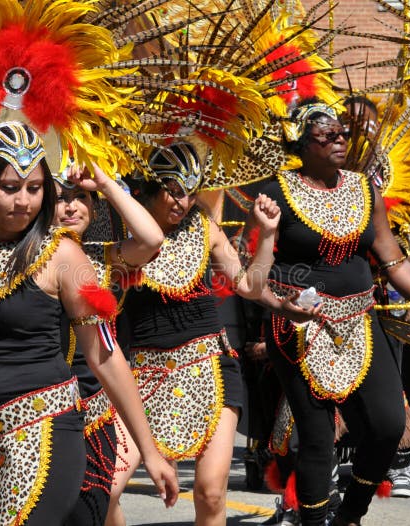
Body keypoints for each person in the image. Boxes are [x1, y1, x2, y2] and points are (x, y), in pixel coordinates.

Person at [0, 121, 177, 526]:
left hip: (47, 432)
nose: (23, 201)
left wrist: (150, 450)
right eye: (10, 188)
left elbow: (104, 355)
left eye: (34, 189)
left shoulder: (65, 258)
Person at [256, 100, 410, 526]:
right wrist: (276, 302)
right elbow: (254, 273)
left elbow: (394, 262)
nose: (340, 140)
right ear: (302, 144)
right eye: (327, 135)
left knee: (388, 424)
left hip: (360, 321)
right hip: (299, 328)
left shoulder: (365, 189)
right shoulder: (275, 193)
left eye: (342, 132)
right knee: (316, 439)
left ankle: (349, 515)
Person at [106, 141, 282, 526]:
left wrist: (266, 236)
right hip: (144, 378)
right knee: (105, 489)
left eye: (188, 192)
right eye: (171, 190)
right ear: (149, 189)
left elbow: (249, 286)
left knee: (211, 491)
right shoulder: (121, 238)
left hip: (212, 367)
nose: (181, 202)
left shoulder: (204, 226)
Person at [51, 164, 165, 526]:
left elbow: (151, 240)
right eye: (60, 199)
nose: (71, 208)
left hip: (98, 407)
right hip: (45, 409)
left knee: (99, 502)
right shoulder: (27, 262)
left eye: (80, 199)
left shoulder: (103, 256)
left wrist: (104, 184)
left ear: (95, 208)